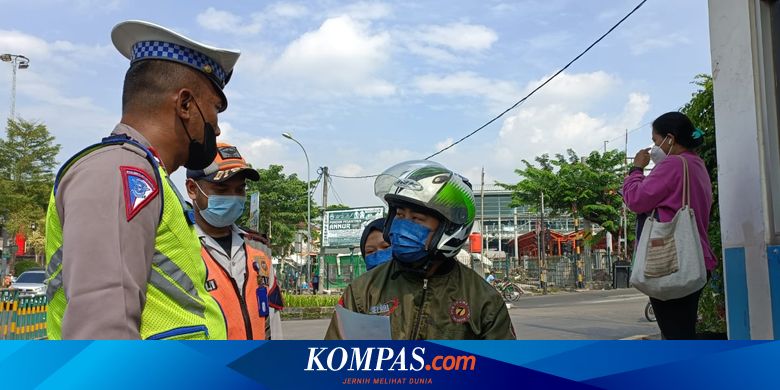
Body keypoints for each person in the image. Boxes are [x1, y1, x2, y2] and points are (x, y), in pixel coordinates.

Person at [44, 20, 240, 339]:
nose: (216, 128)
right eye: (215, 109)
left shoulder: (148, 175)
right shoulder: (119, 172)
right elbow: (102, 336)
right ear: (186, 104)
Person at [325, 160, 515, 340]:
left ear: (449, 228)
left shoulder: (483, 300)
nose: (402, 226)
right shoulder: (363, 291)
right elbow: (335, 362)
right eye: (399, 215)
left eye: (416, 218)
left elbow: (503, 369)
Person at [623, 111, 717, 340]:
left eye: (656, 141)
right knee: (683, 331)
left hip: (670, 260)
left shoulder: (674, 165)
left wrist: (636, 170)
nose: (654, 147)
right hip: (696, 257)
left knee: (675, 335)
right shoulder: (697, 165)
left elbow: (636, 200)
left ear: (670, 139)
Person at [186, 142, 284, 340]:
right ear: (192, 189)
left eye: (240, 190)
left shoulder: (258, 248)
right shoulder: (180, 247)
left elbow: (271, 322)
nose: (233, 197)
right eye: (221, 189)